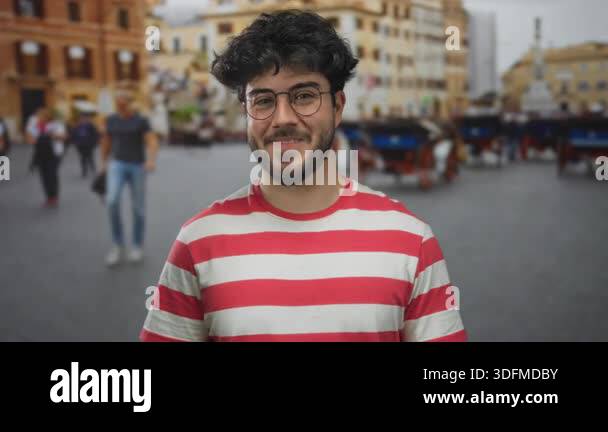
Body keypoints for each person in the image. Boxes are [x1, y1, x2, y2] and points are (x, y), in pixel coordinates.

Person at [140, 11, 466, 342]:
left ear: (338, 107)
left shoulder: (411, 241)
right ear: (246, 114)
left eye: (304, 96)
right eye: (263, 100)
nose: (283, 118)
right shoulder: (197, 242)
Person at [100, 90, 159, 266]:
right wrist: (103, 163)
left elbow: (151, 141)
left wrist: (150, 160)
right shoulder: (111, 120)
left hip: (137, 166)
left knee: (138, 208)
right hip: (117, 164)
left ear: (129, 103)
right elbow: (106, 141)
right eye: (118, 102)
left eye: (123, 102)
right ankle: (118, 245)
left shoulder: (140, 121)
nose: (120, 105)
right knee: (111, 201)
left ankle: (136, 245)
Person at [27, 108, 66, 207]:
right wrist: (37, 137)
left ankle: (54, 196)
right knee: (43, 176)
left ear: (47, 116)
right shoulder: (35, 126)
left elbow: (63, 136)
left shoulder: (56, 124)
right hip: (41, 154)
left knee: (51, 175)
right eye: (38, 116)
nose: (39, 118)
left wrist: (50, 135)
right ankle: (49, 197)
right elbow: (30, 139)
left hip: (54, 154)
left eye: (41, 116)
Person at [70, 111, 100, 178]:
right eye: (81, 118)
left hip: (89, 144)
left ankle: (93, 169)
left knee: (90, 157)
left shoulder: (90, 125)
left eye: (84, 118)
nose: (82, 119)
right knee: (82, 158)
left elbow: (95, 134)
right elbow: (73, 134)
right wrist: (74, 142)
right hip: (80, 144)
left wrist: (94, 143)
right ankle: (84, 171)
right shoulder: (77, 126)